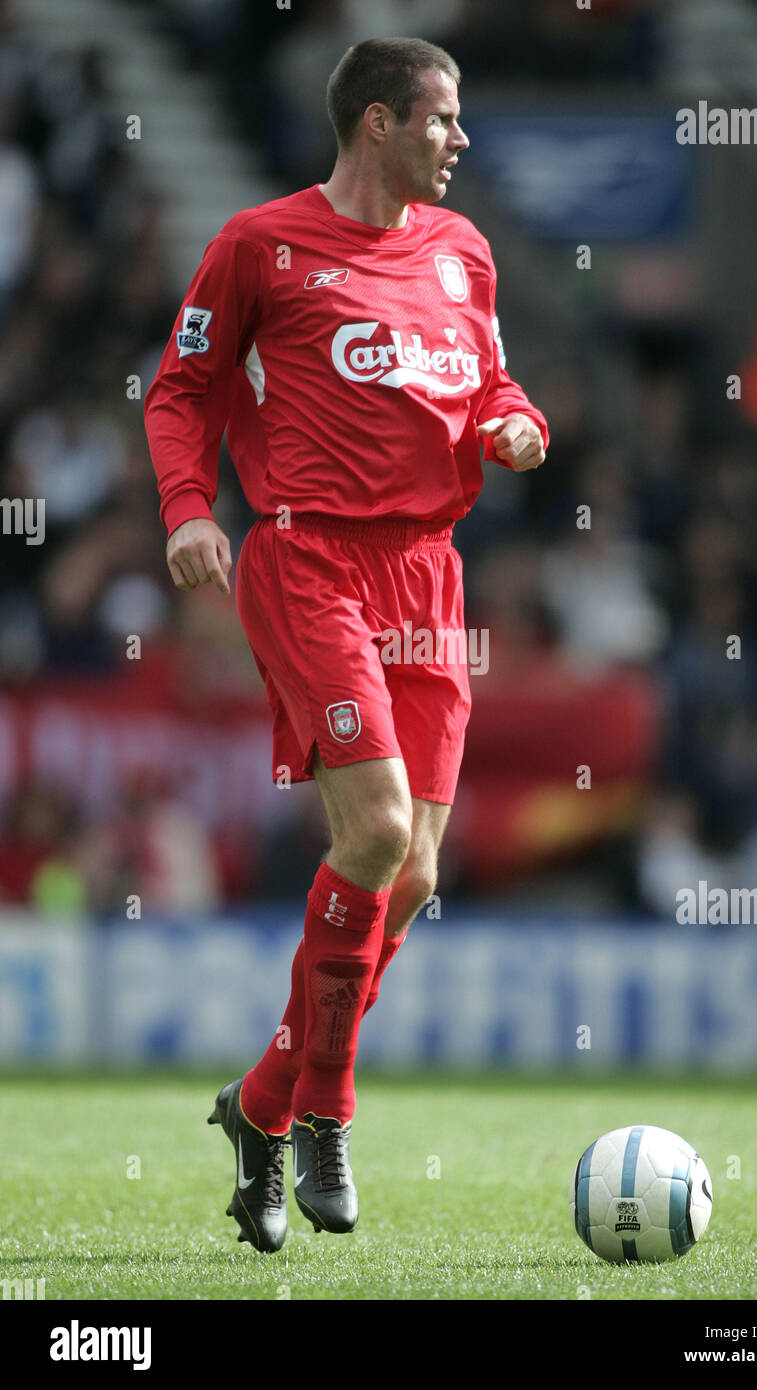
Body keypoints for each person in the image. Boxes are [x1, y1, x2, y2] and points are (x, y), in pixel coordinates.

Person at [144, 37, 548, 1251]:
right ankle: (324, 1107)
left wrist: (514, 421)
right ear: (376, 123)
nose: (459, 140)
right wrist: (185, 513)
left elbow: (487, 382)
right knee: (370, 834)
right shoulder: (261, 244)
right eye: (441, 119)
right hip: (310, 555)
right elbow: (181, 388)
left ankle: (260, 1106)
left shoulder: (461, 251)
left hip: (427, 566)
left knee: (412, 875)